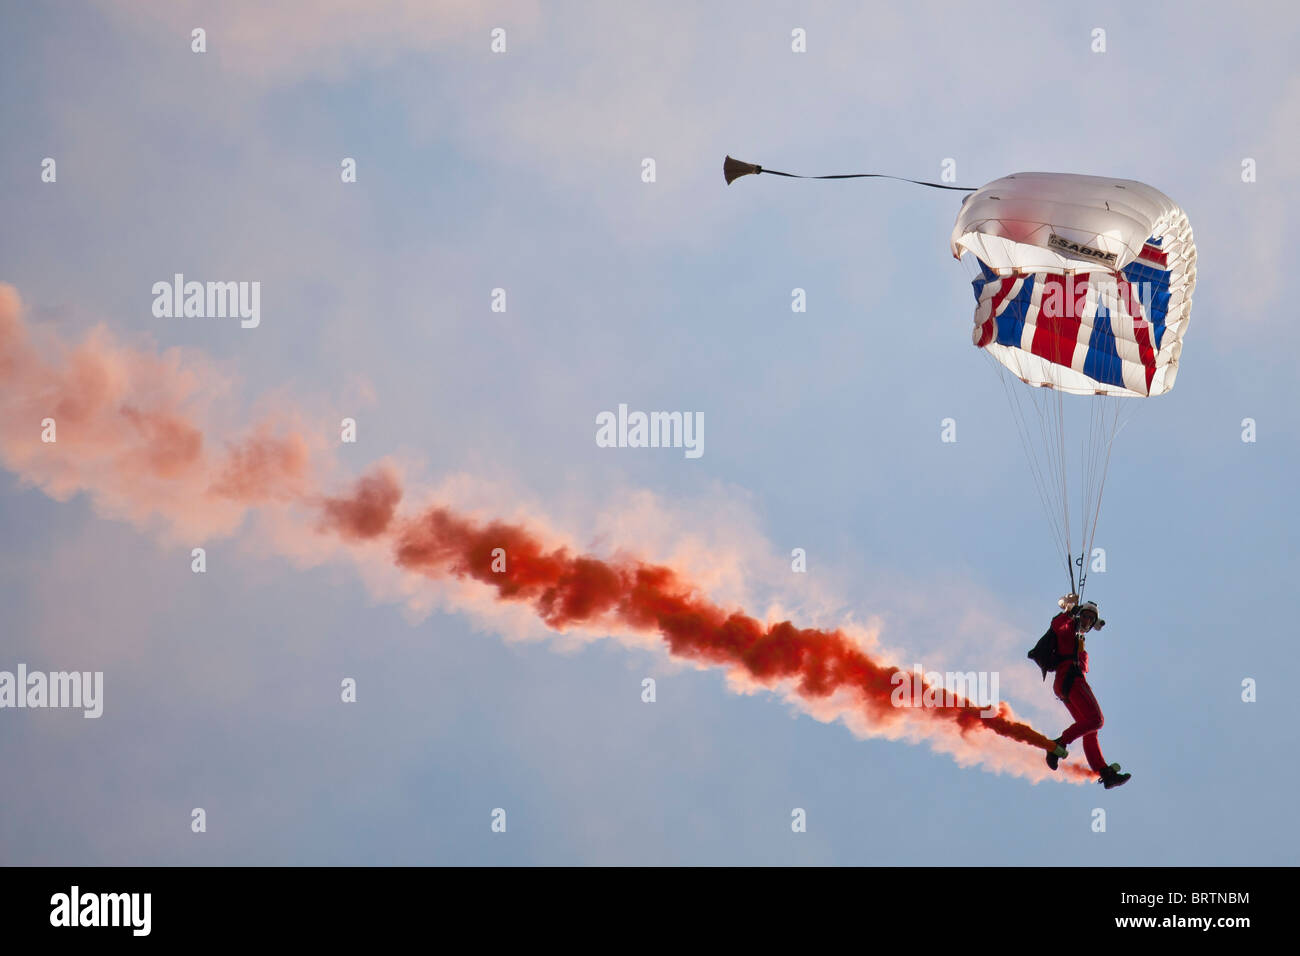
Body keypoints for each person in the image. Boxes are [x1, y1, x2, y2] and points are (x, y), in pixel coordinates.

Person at [1044, 595, 1131, 789]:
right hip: (1071, 680)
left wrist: (1080, 647)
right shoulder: (1068, 630)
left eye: (1091, 620)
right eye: (1085, 617)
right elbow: (1057, 625)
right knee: (1097, 721)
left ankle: (1104, 773)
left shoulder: (1079, 643)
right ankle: (1059, 744)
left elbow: (1083, 668)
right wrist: (1069, 613)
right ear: (1078, 616)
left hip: (1067, 684)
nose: (1087, 621)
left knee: (1090, 730)